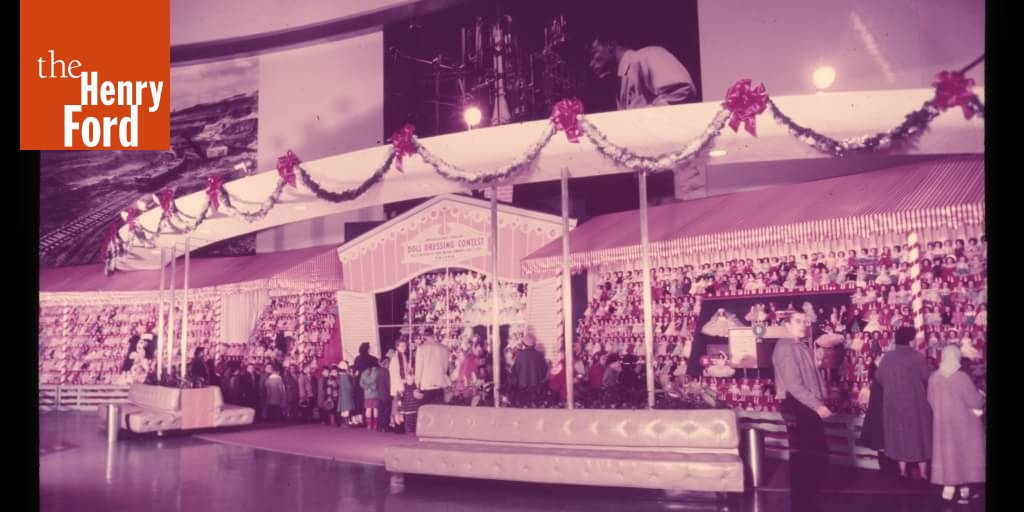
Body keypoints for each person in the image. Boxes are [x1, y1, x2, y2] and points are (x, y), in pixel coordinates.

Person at [772, 312, 829, 512]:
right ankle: (803, 506)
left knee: (813, 458)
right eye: (798, 321)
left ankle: (808, 503)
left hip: (806, 405)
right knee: (805, 460)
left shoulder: (800, 345)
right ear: (786, 325)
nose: (804, 324)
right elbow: (794, 385)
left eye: (805, 321)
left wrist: (822, 397)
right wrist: (818, 405)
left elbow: (813, 375)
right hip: (798, 405)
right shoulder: (787, 348)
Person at [873, 327, 932, 482]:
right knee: (920, 437)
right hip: (915, 404)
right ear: (910, 340)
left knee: (898, 437)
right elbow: (927, 378)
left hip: (892, 404)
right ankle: (924, 474)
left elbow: (879, 377)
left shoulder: (888, 357)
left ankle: (902, 472)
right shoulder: (917, 357)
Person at [928, 345, 985, 504]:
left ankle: (948, 491)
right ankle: (964, 492)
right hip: (964, 424)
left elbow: (930, 401)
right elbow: (975, 401)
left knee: (948, 456)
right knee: (964, 455)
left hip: (942, 424)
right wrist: (982, 395)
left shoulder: (934, 377)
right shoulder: (961, 377)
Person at [589, 33, 697, 111]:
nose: (591, 64)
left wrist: (643, 118)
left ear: (611, 45)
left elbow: (682, 89)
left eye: (593, 53)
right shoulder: (620, 85)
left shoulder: (648, 55)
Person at [511, 334, 548, 406]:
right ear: (534, 344)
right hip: (536, 390)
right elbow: (545, 371)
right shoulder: (540, 355)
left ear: (524, 344)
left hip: (523, 389)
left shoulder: (519, 355)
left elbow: (515, 371)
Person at [414, 337, 450, 405]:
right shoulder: (444, 348)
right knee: (438, 411)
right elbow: (445, 368)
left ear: (425, 337)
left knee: (427, 411)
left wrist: (417, 383)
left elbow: (419, 368)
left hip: (427, 386)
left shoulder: (421, 348)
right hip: (440, 385)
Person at [389, 339, 411, 430]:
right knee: (397, 405)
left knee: (401, 405)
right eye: (402, 346)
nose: (404, 348)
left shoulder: (404, 357)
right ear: (397, 347)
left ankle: (400, 424)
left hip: (404, 383)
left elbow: (406, 371)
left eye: (405, 346)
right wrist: (400, 386)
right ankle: (397, 424)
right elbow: (395, 374)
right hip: (398, 385)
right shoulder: (394, 359)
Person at [359, 361, 381, 431]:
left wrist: (367, 388)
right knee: (375, 408)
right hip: (375, 393)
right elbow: (378, 382)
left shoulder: (364, 372)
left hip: (367, 393)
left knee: (368, 409)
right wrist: (373, 388)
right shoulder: (377, 371)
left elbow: (361, 383)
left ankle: (368, 425)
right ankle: (375, 424)